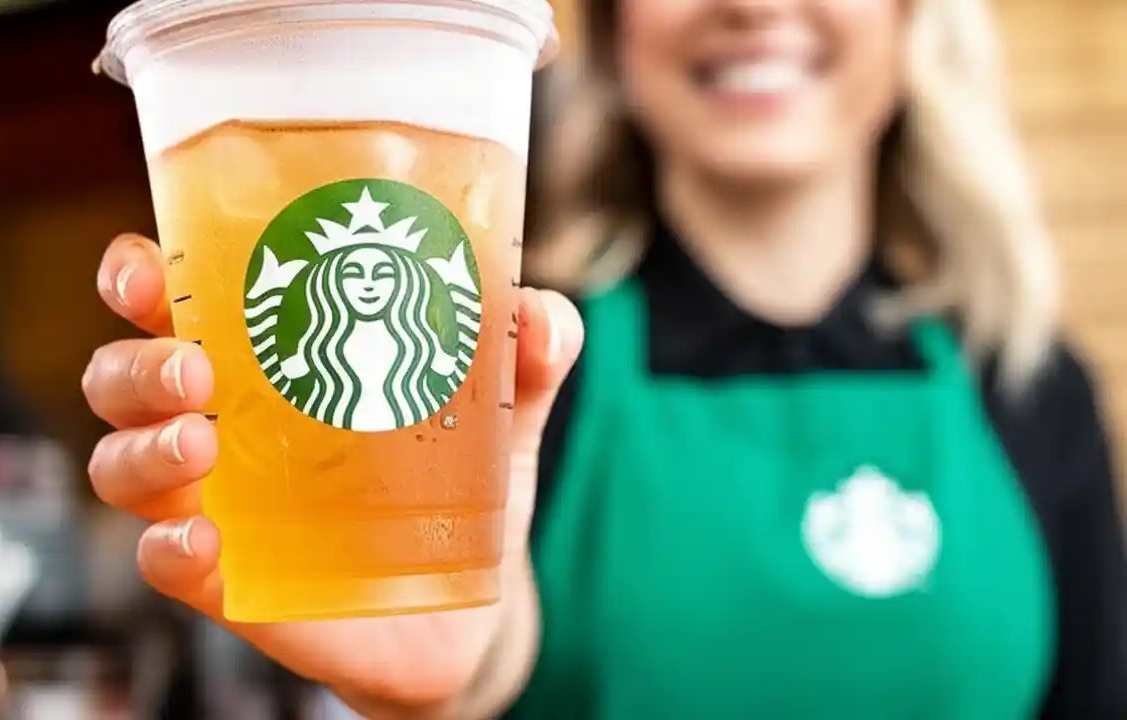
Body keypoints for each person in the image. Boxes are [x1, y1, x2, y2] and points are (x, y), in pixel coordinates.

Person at [81, 0, 1127, 717]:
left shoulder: (1028, 388)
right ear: (618, 35)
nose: (751, 5)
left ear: (912, 20)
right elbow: (476, 655)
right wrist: (439, 678)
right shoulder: (512, 351)